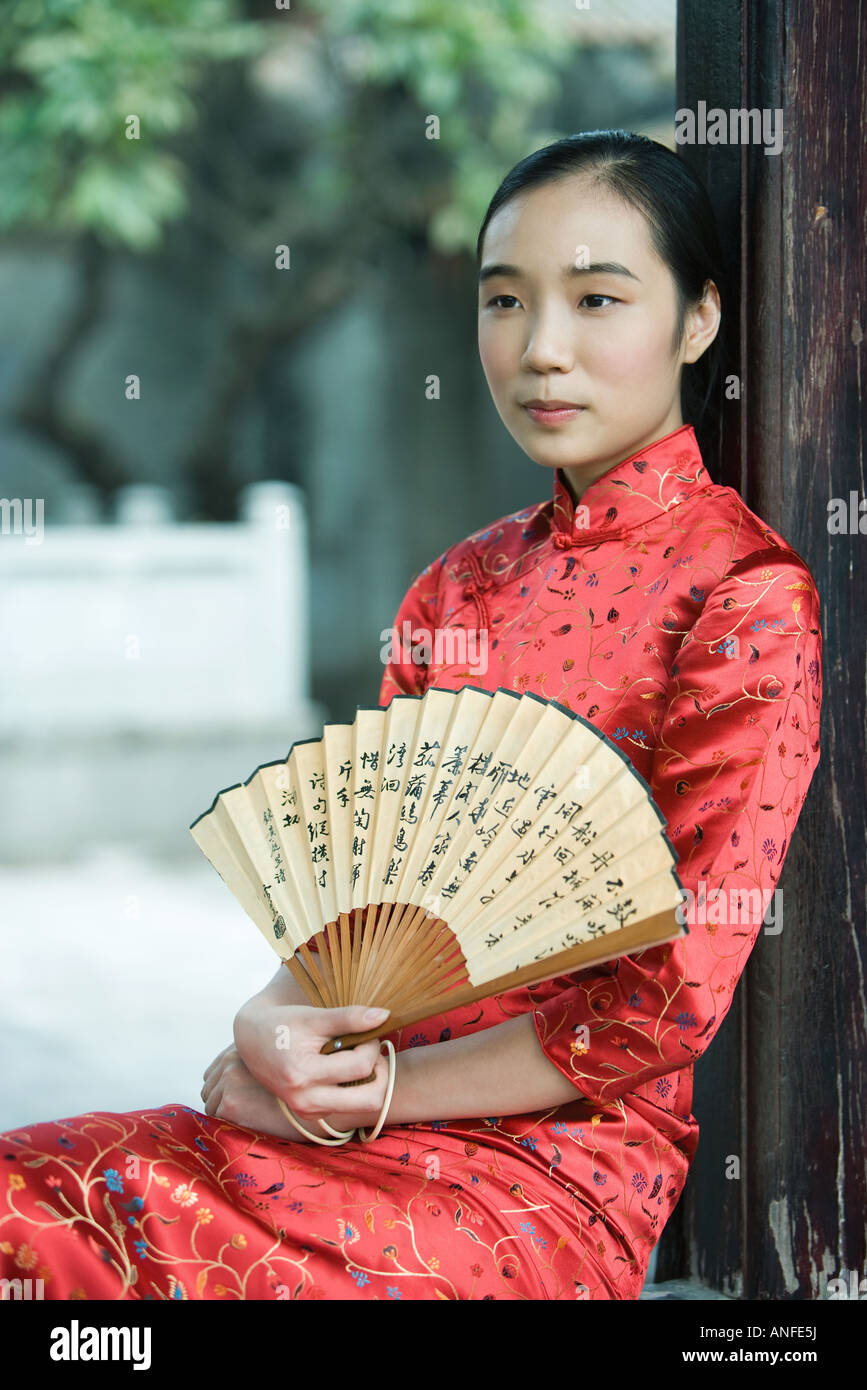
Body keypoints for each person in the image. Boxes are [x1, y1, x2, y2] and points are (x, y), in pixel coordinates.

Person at [0, 130, 822, 1301]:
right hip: (337, 1131)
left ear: (697, 321)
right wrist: (269, 1021)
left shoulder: (745, 600)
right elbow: (363, 895)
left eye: (598, 299)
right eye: (505, 300)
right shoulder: (460, 587)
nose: (542, 350)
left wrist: (382, 1089)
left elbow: (663, 1001)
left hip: (542, 1184)